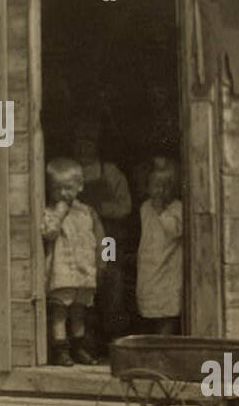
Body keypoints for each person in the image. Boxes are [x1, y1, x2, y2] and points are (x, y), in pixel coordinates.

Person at [71, 119, 132, 353]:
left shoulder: (110, 171)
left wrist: (101, 209)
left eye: (89, 142)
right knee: (85, 286)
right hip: (81, 240)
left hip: (108, 238)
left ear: (97, 145)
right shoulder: (71, 172)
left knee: (110, 281)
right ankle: (88, 342)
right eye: (79, 142)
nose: (84, 148)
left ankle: (116, 341)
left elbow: (125, 206)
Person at [42, 158, 104, 366]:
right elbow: (48, 233)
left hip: (84, 271)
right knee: (60, 311)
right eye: (57, 189)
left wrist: (102, 262)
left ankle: (79, 348)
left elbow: (99, 239)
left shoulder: (87, 212)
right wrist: (59, 213)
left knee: (79, 311)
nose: (63, 194)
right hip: (62, 272)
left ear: (80, 186)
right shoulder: (50, 211)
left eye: (68, 188)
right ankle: (61, 350)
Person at [136, 156, 183, 335]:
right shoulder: (144, 208)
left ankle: (165, 345)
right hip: (149, 264)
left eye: (165, 186)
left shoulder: (177, 208)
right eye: (155, 185)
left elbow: (174, 231)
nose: (160, 191)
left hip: (168, 265)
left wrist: (161, 211)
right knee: (149, 309)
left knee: (167, 311)